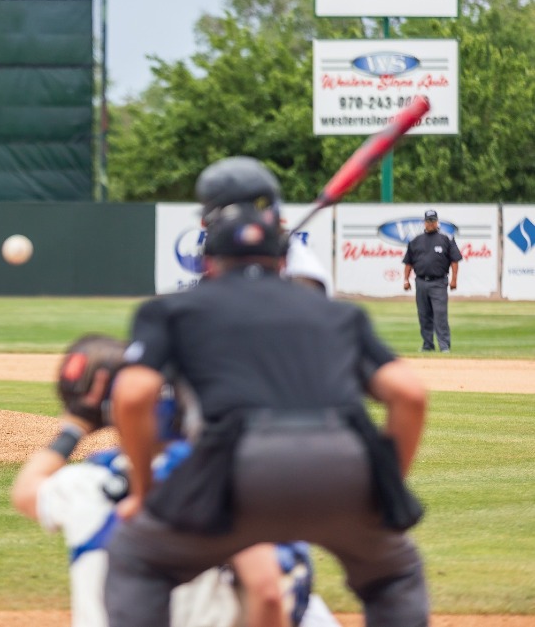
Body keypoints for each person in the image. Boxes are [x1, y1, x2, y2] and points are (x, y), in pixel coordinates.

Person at [104, 156, 430, 627]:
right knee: (393, 575)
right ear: (281, 254)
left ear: (206, 249)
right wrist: (383, 489)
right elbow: (409, 395)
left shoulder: (173, 311)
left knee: (139, 559)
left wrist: (143, 490)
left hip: (235, 470)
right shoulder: (340, 315)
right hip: (344, 466)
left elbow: (133, 396)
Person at [11, 334, 340, 627]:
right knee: (293, 573)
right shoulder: (217, 484)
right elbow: (267, 593)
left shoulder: (82, 484)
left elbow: (26, 490)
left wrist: (77, 424)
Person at [402, 209, 462, 352]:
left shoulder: (446, 239)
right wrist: (406, 280)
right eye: (428, 221)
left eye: (433, 221)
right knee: (424, 315)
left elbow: (455, 261)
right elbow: (408, 262)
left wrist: (454, 280)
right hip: (421, 281)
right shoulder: (416, 241)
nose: (431, 223)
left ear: (437, 222)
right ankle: (427, 345)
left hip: (439, 282)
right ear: (424, 222)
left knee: (440, 314)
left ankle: (444, 345)